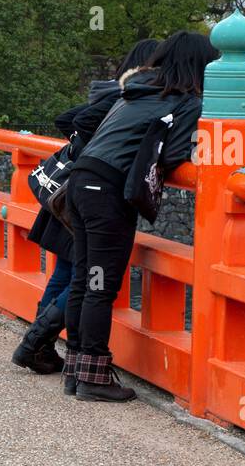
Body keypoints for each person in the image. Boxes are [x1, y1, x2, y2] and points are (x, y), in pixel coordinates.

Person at [63, 30, 218, 402]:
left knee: (85, 280)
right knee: (100, 286)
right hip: (106, 195)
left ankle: (76, 370)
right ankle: (95, 378)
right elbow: (172, 157)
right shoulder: (185, 103)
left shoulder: (134, 90)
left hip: (81, 183)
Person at [13, 38, 158, 374]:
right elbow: (72, 120)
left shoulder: (118, 91)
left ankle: (39, 344)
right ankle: (36, 341)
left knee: (67, 270)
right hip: (92, 193)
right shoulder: (126, 96)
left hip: (74, 192)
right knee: (84, 277)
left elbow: (69, 120)